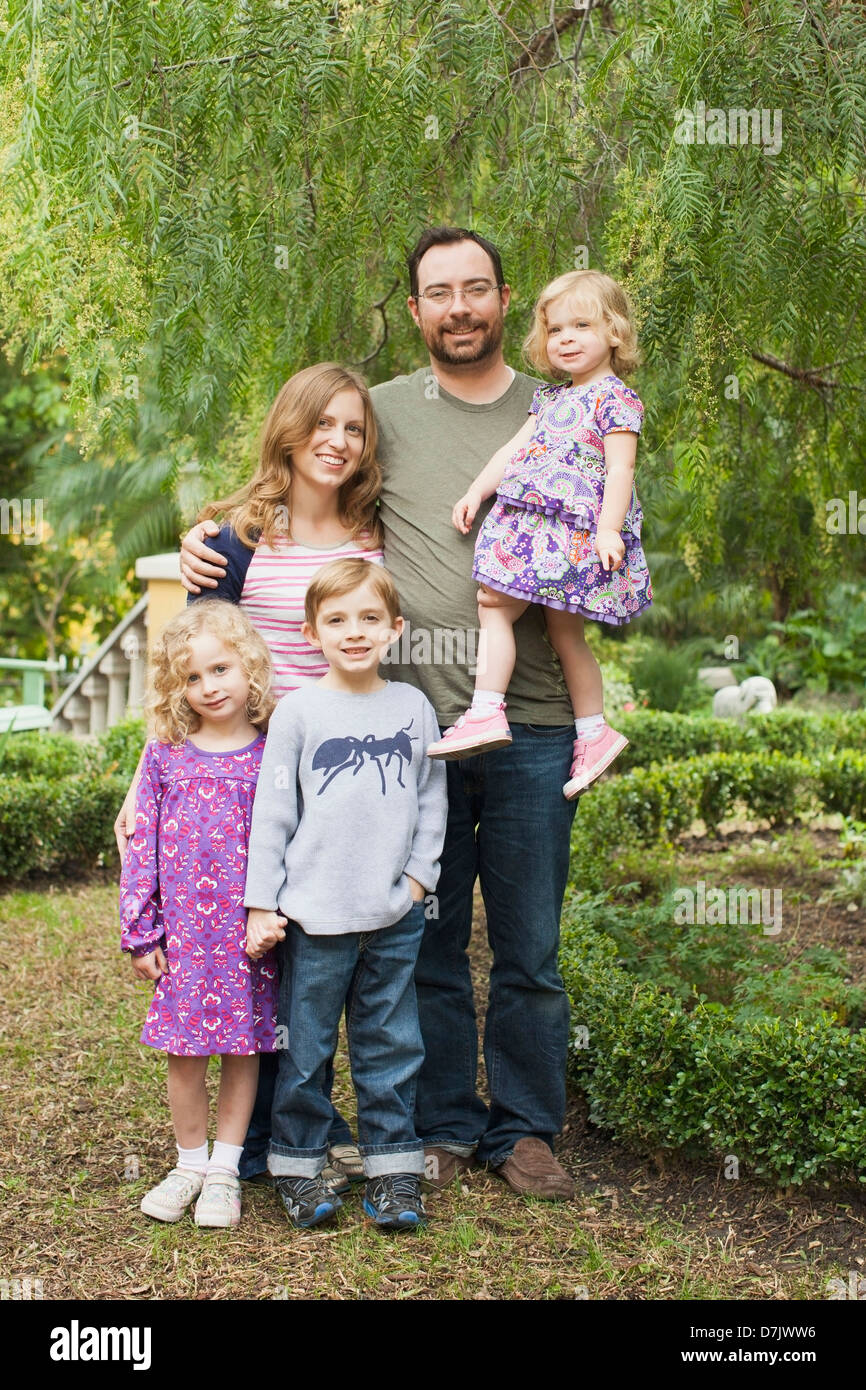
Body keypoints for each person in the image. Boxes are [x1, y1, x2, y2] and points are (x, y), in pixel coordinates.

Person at [181, 227, 581, 1200]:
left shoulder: (561, 412)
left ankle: (523, 1129)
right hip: (408, 740)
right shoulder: (386, 415)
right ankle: (439, 1126)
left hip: (529, 718)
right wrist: (206, 537)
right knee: (427, 939)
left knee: (526, 945)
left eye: (475, 290)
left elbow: (605, 528)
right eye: (437, 292)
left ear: (501, 299)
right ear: (414, 311)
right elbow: (303, 471)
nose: (458, 308)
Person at [116, 362, 385, 1189]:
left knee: (328, 954)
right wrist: (142, 779)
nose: (336, 442)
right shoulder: (237, 537)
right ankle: (257, 1142)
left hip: (344, 776)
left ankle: (313, 1125)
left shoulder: (380, 528)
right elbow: (191, 661)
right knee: (257, 947)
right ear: (288, 430)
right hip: (254, 779)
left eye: (353, 428)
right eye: (321, 424)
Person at [243, 559, 447, 1229]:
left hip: (392, 915)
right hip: (314, 918)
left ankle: (394, 1171)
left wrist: (418, 880)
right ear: (310, 632)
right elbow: (271, 816)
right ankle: (298, 1168)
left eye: (368, 619)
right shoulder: (298, 712)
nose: (353, 633)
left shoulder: (413, 708)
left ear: (395, 628)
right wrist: (262, 902)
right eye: (337, 620)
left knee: (391, 1042)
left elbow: (430, 799)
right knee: (306, 1048)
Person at [427, 269, 652, 799]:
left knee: (493, 604)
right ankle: (594, 732)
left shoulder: (616, 399)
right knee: (563, 634)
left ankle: (485, 709)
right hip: (547, 531)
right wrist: (477, 491)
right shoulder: (550, 400)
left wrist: (609, 530)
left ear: (614, 332)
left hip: (571, 533)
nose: (566, 338)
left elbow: (621, 471)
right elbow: (511, 454)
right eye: (555, 330)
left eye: (582, 325)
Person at [119, 600, 277, 1228]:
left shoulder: (271, 757)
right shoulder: (164, 757)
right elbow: (142, 848)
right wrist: (140, 932)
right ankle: (189, 1162)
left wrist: (271, 917)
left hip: (245, 940)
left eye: (220, 669)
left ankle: (224, 1171)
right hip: (181, 939)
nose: (209, 687)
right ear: (175, 686)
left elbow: (286, 842)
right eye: (191, 677)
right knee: (183, 1054)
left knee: (242, 1052)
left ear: (249, 668)